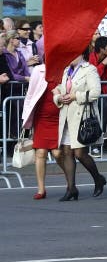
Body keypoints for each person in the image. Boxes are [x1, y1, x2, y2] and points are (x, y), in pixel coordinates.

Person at [52, 48, 107, 201]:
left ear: (81, 54)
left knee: (79, 153)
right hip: (66, 116)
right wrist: (58, 97)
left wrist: (76, 96)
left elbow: (96, 92)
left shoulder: (89, 69)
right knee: (67, 152)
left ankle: (98, 179)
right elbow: (58, 89)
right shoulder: (66, 71)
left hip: (81, 117)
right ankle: (71, 188)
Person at [21, 64, 64, 200]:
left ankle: (70, 180)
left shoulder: (64, 69)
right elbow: (30, 93)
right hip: (41, 117)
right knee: (40, 153)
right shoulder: (38, 70)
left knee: (57, 153)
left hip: (59, 117)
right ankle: (41, 190)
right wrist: (25, 117)